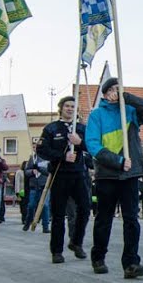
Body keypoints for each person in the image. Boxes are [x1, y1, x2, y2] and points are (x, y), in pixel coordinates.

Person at [84, 77, 143, 278]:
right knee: (104, 218)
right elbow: (93, 144)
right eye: (114, 89)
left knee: (131, 219)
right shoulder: (96, 115)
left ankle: (131, 263)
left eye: (120, 89)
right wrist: (117, 161)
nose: (117, 92)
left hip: (130, 175)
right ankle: (98, 257)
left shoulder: (130, 112)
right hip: (107, 175)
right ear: (106, 94)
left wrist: (127, 97)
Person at [38, 96, 93, 263]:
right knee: (59, 215)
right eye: (67, 106)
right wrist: (62, 156)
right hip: (60, 174)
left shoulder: (82, 128)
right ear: (61, 108)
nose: (70, 109)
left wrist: (80, 142)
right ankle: (56, 251)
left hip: (79, 174)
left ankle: (76, 242)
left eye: (73, 107)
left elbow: (92, 146)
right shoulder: (52, 128)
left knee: (85, 208)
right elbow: (42, 149)